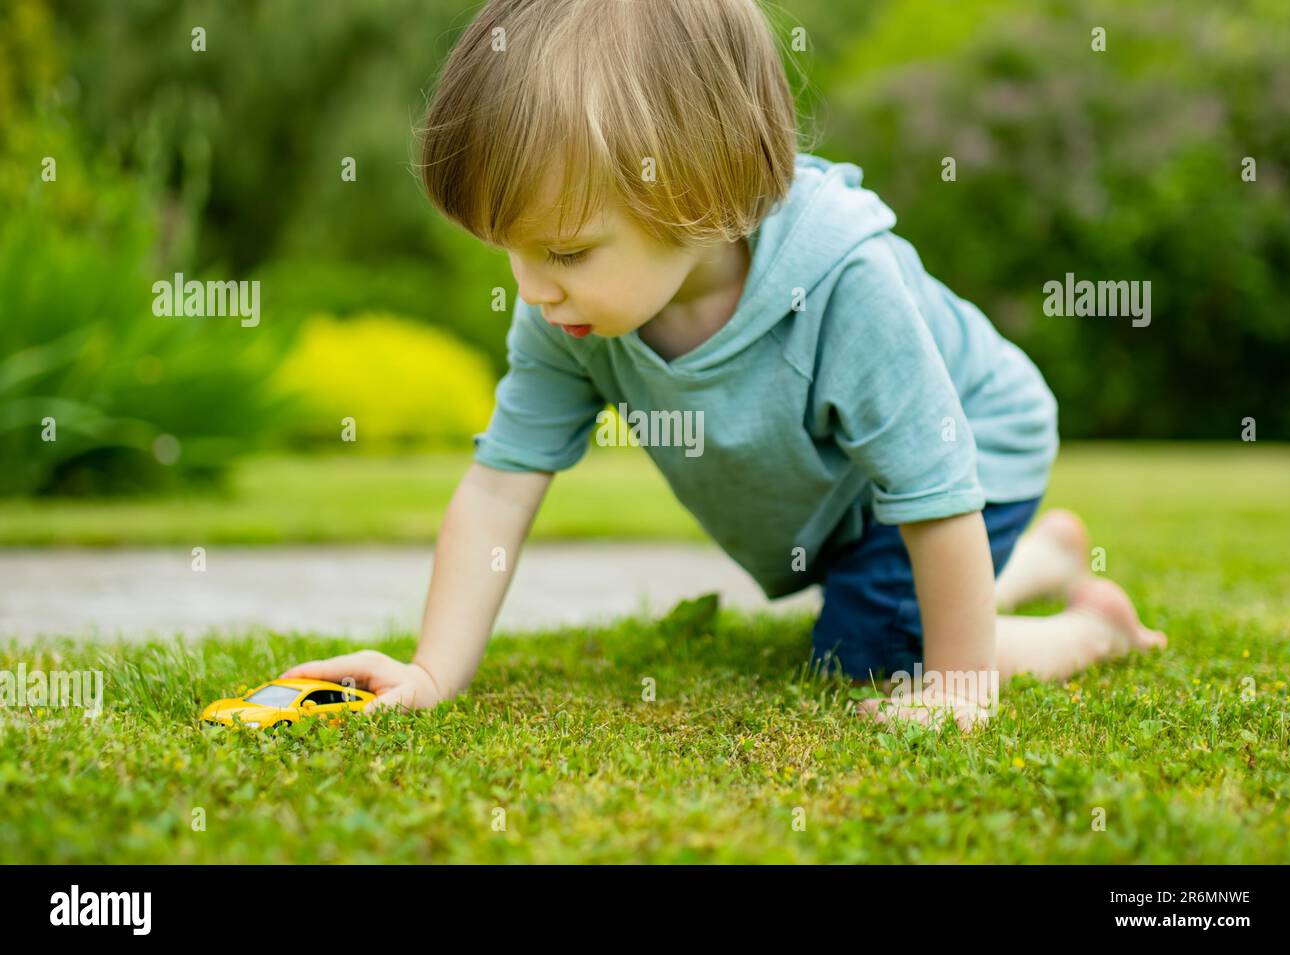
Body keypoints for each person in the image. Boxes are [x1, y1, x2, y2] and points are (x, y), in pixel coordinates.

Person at [281, 0, 1166, 732]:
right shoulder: (569, 313)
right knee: (882, 600)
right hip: (856, 497)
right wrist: (433, 669)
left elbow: (935, 486)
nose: (534, 289)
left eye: (566, 251)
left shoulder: (843, 279)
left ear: (700, 195)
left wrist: (960, 684)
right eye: (509, 252)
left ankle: (1090, 630)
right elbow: (498, 489)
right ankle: (1045, 558)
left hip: (972, 453)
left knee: (870, 652)